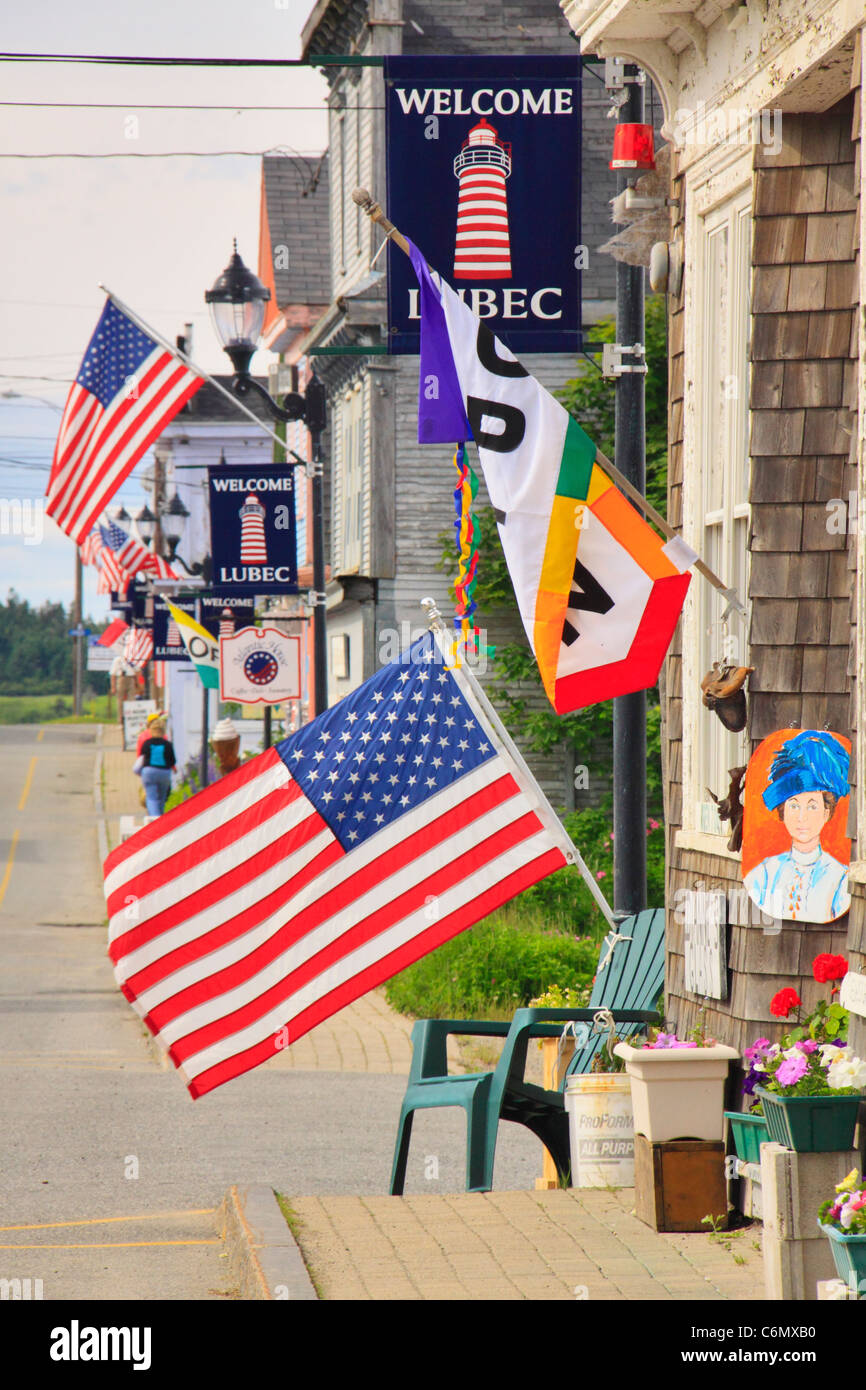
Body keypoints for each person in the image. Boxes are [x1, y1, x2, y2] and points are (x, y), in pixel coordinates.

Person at [744, 730, 850, 923]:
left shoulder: (839, 878)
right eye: (794, 805)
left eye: (812, 806)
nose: (802, 817)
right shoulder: (764, 873)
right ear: (783, 812)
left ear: (826, 813)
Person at [138, 718, 176, 817]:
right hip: (164, 773)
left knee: (151, 798)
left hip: (149, 772)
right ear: (163, 731)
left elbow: (141, 759)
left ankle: (155, 819)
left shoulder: (147, 743)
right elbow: (172, 761)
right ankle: (161, 818)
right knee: (162, 798)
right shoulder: (167, 744)